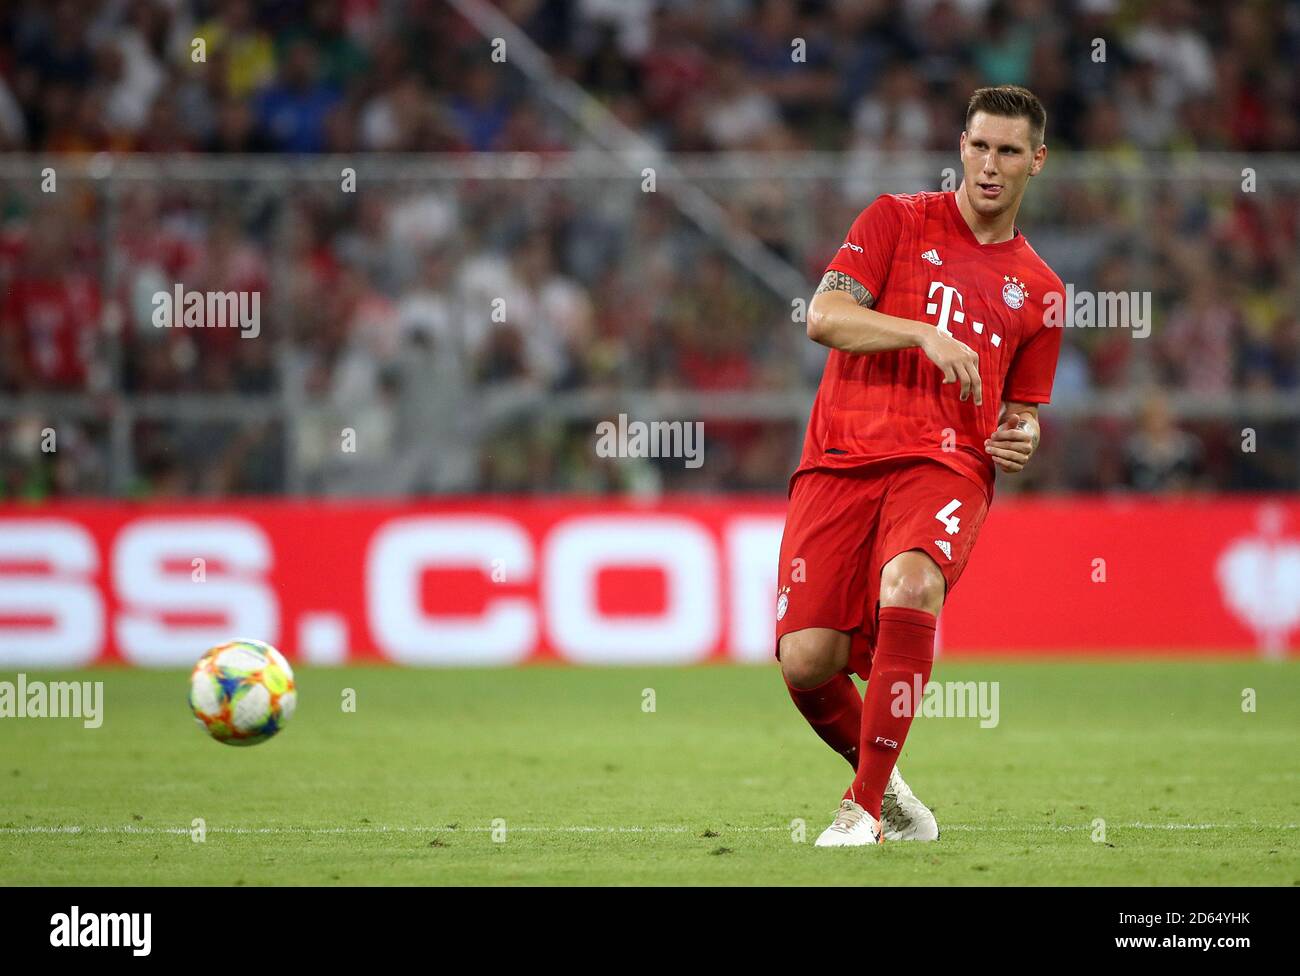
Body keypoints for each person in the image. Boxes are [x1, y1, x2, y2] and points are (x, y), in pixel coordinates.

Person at [777, 86, 1065, 846]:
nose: (990, 165)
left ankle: (862, 808)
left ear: (1037, 160)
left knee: (912, 583)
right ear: (960, 146)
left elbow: (1022, 413)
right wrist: (921, 335)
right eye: (978, 146)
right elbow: (824, 317)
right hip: (840, 458)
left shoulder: (1042, 294)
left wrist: (1024, 436)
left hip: (945, 466)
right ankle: (894, 791)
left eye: (1008, 151)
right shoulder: (895, 220)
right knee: (807, 662)